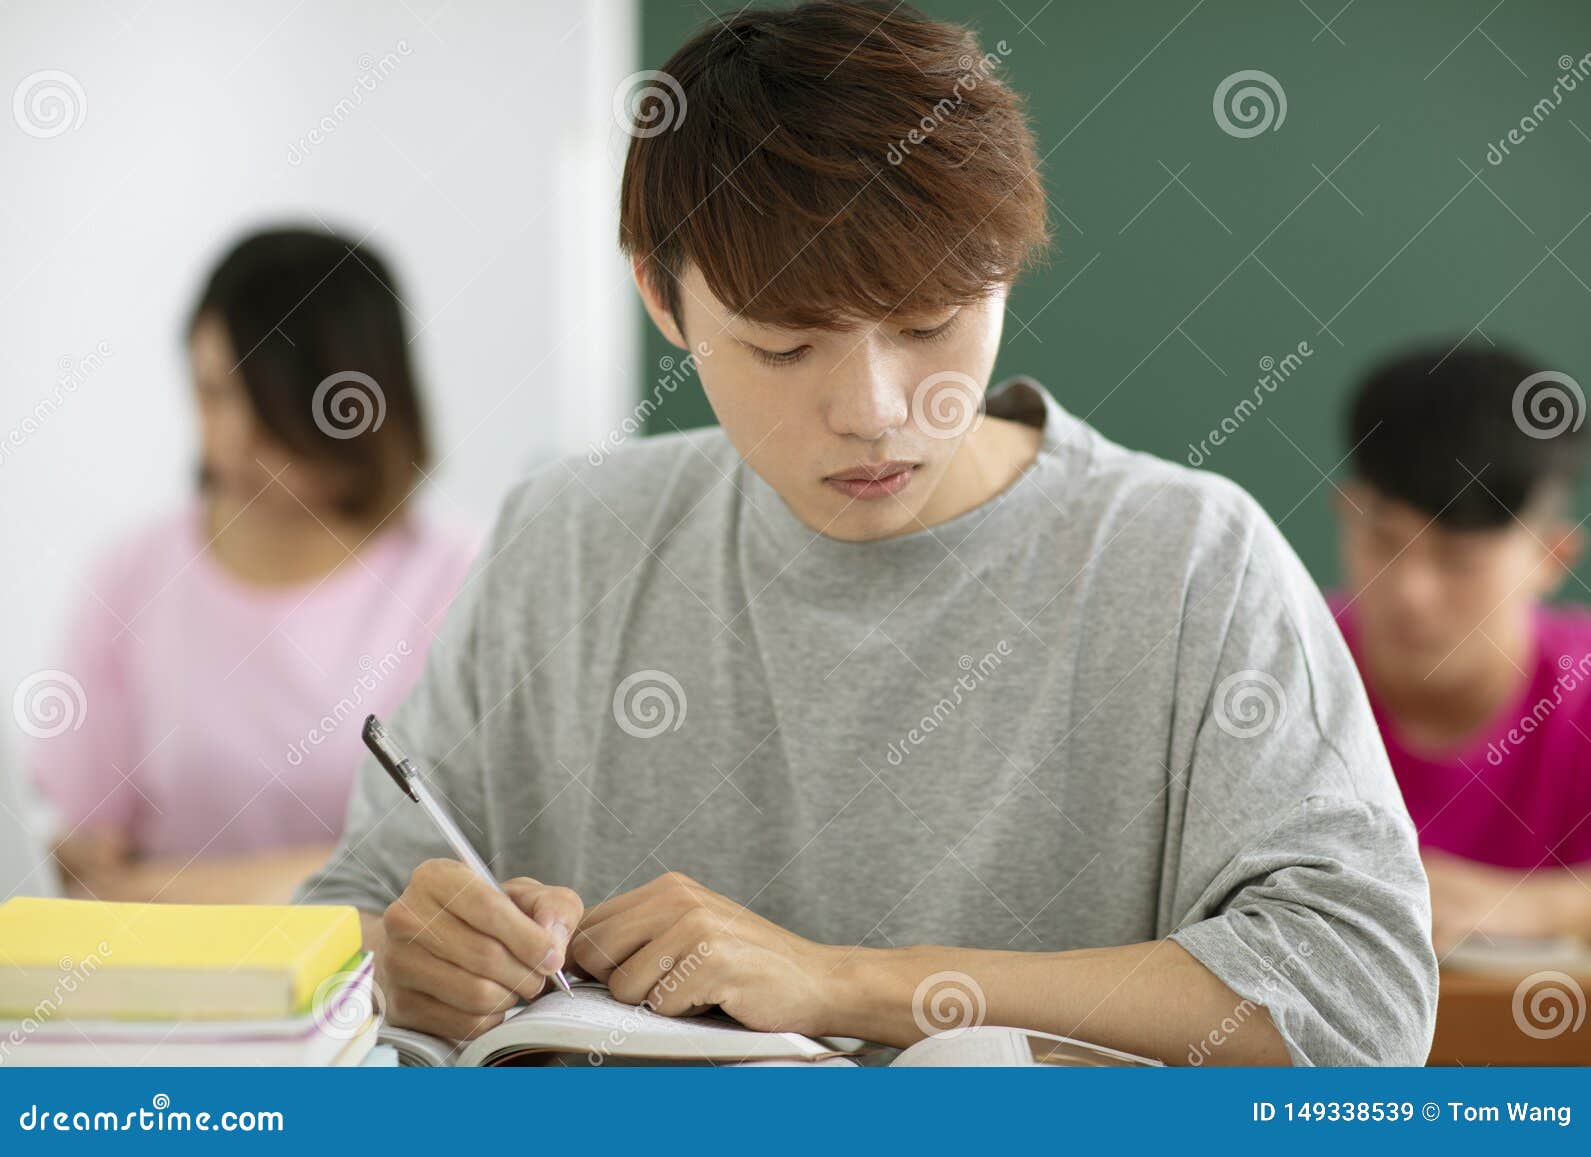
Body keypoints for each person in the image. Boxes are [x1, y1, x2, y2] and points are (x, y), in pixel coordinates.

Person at [298, 1, 1435, 1065]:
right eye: (786, 347)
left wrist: (847, 982)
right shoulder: (568, 540)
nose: (878, 410)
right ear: (660, 296)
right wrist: (399, 965)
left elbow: (1357, 993)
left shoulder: (1188, 560)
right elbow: (351, 911)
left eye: (932, 323)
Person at [30, 227, 478, 905]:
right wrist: (58, 856)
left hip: (383, 993)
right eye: (211, 394)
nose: (233, 439)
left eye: (268, 406)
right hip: (162, 985)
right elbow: (86, 845)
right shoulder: (131, 574)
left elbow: (459, 856)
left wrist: (167, 892)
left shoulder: (460, 578)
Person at [1330, 343, 1591, 953]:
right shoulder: (1276, 664)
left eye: (1457, 559)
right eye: (1383, 539)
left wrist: (1535, 905)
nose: (1411, 592)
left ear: (1552, 557)